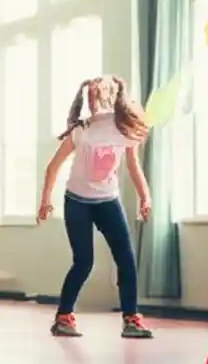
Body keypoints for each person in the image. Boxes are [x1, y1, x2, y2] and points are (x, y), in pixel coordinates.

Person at [37, 76, 153, 339]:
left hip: (107, 202)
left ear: (112, 96)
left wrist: (145, 197)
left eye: (97, 95)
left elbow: (133, 167)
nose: (92, 101)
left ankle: (131, 319)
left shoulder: (125, 130)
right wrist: (45, 200)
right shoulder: (82, 130)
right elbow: (53, 167)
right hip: (77, 202)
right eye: (89, 96)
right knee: (83, 261)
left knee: (126, 259)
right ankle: (63, 317)